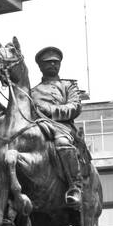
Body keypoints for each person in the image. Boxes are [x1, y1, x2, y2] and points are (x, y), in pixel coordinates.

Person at [30, 46, 84, 208]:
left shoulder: (69, 86)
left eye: (56, 62)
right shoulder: (32, 91)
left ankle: (75, 185)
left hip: (63, 128)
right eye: (48, 63)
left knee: (62, 143)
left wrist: (50, 111)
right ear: (40, 66)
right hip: (40, 127)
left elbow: (75, 107)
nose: (53, 65)